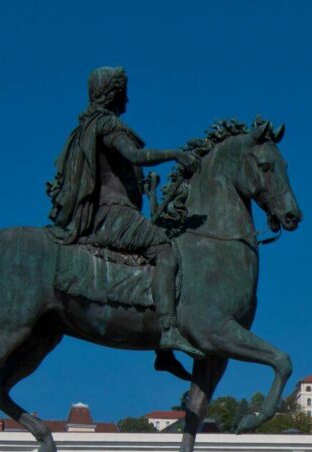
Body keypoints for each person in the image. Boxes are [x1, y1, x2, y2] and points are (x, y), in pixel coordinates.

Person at [46, 66, 201, 360]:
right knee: (165, 250)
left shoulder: (86, 127)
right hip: (111, 213)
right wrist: (175, 154)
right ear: (114, 93)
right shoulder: (107, 125)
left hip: (108, 210)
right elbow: (135, 155)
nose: (127, 100)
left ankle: (162, 351)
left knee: (150, 257)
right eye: (124, 92)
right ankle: (167, 330)